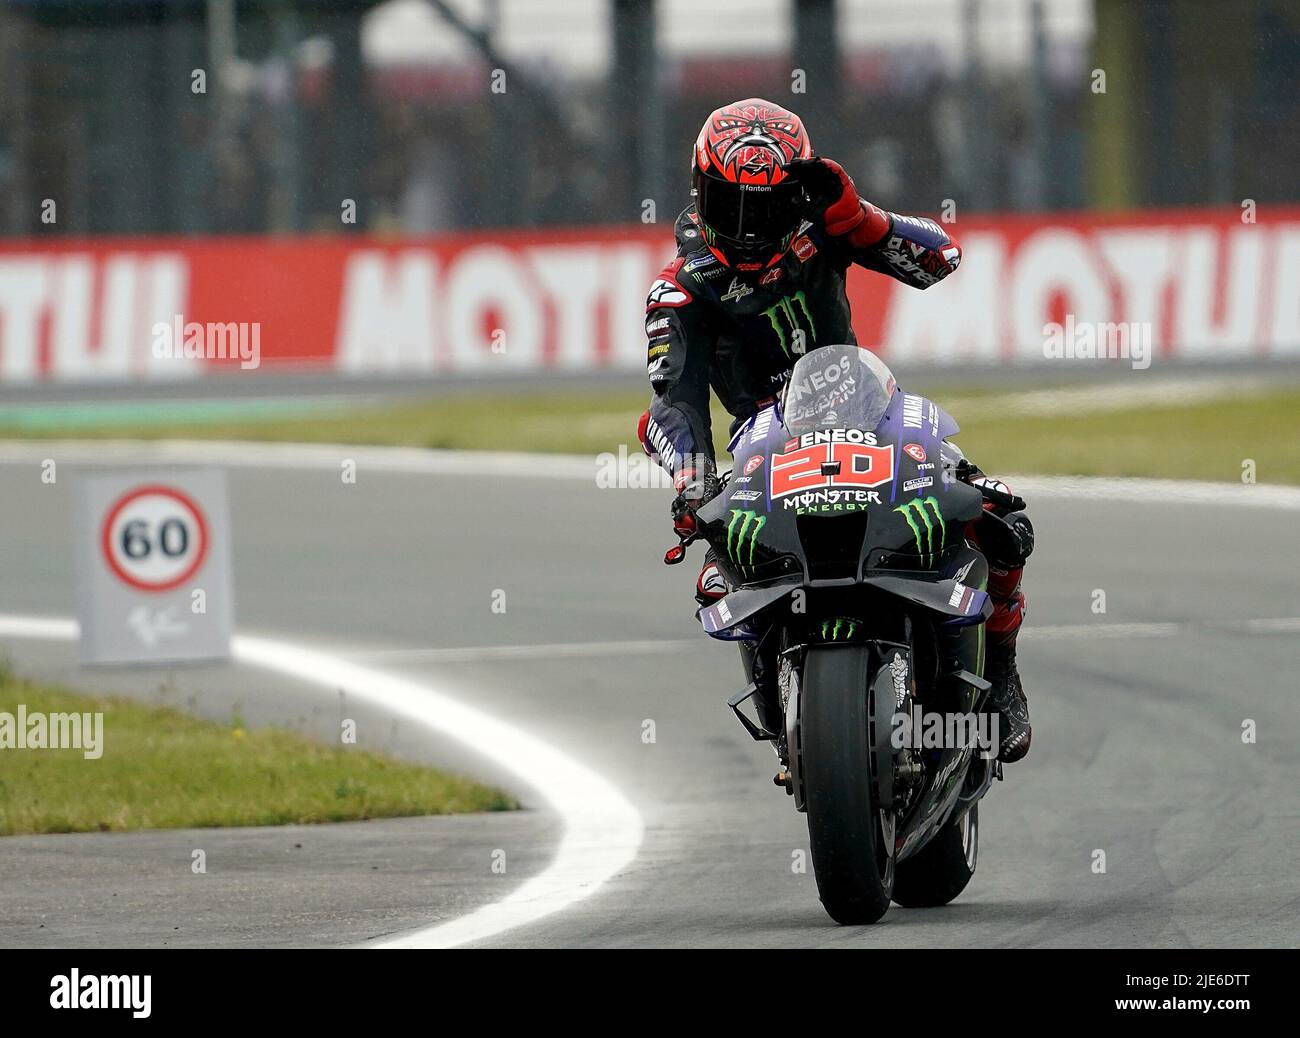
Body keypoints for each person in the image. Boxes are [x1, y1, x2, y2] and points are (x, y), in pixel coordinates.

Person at [636, 98, 1033, 762]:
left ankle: (1001, 679)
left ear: (796, 194)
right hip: (763, 444)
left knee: (997, 520)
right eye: (730, 203)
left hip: (872, 412)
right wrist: (690, 483)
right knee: (719, 565)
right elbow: (669, 409)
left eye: (764, 208)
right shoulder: (680, 290)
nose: (748, 228)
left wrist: (860, 219)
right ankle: (786, 690)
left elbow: (941, 260)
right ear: (700, 191)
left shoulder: (825, 228)